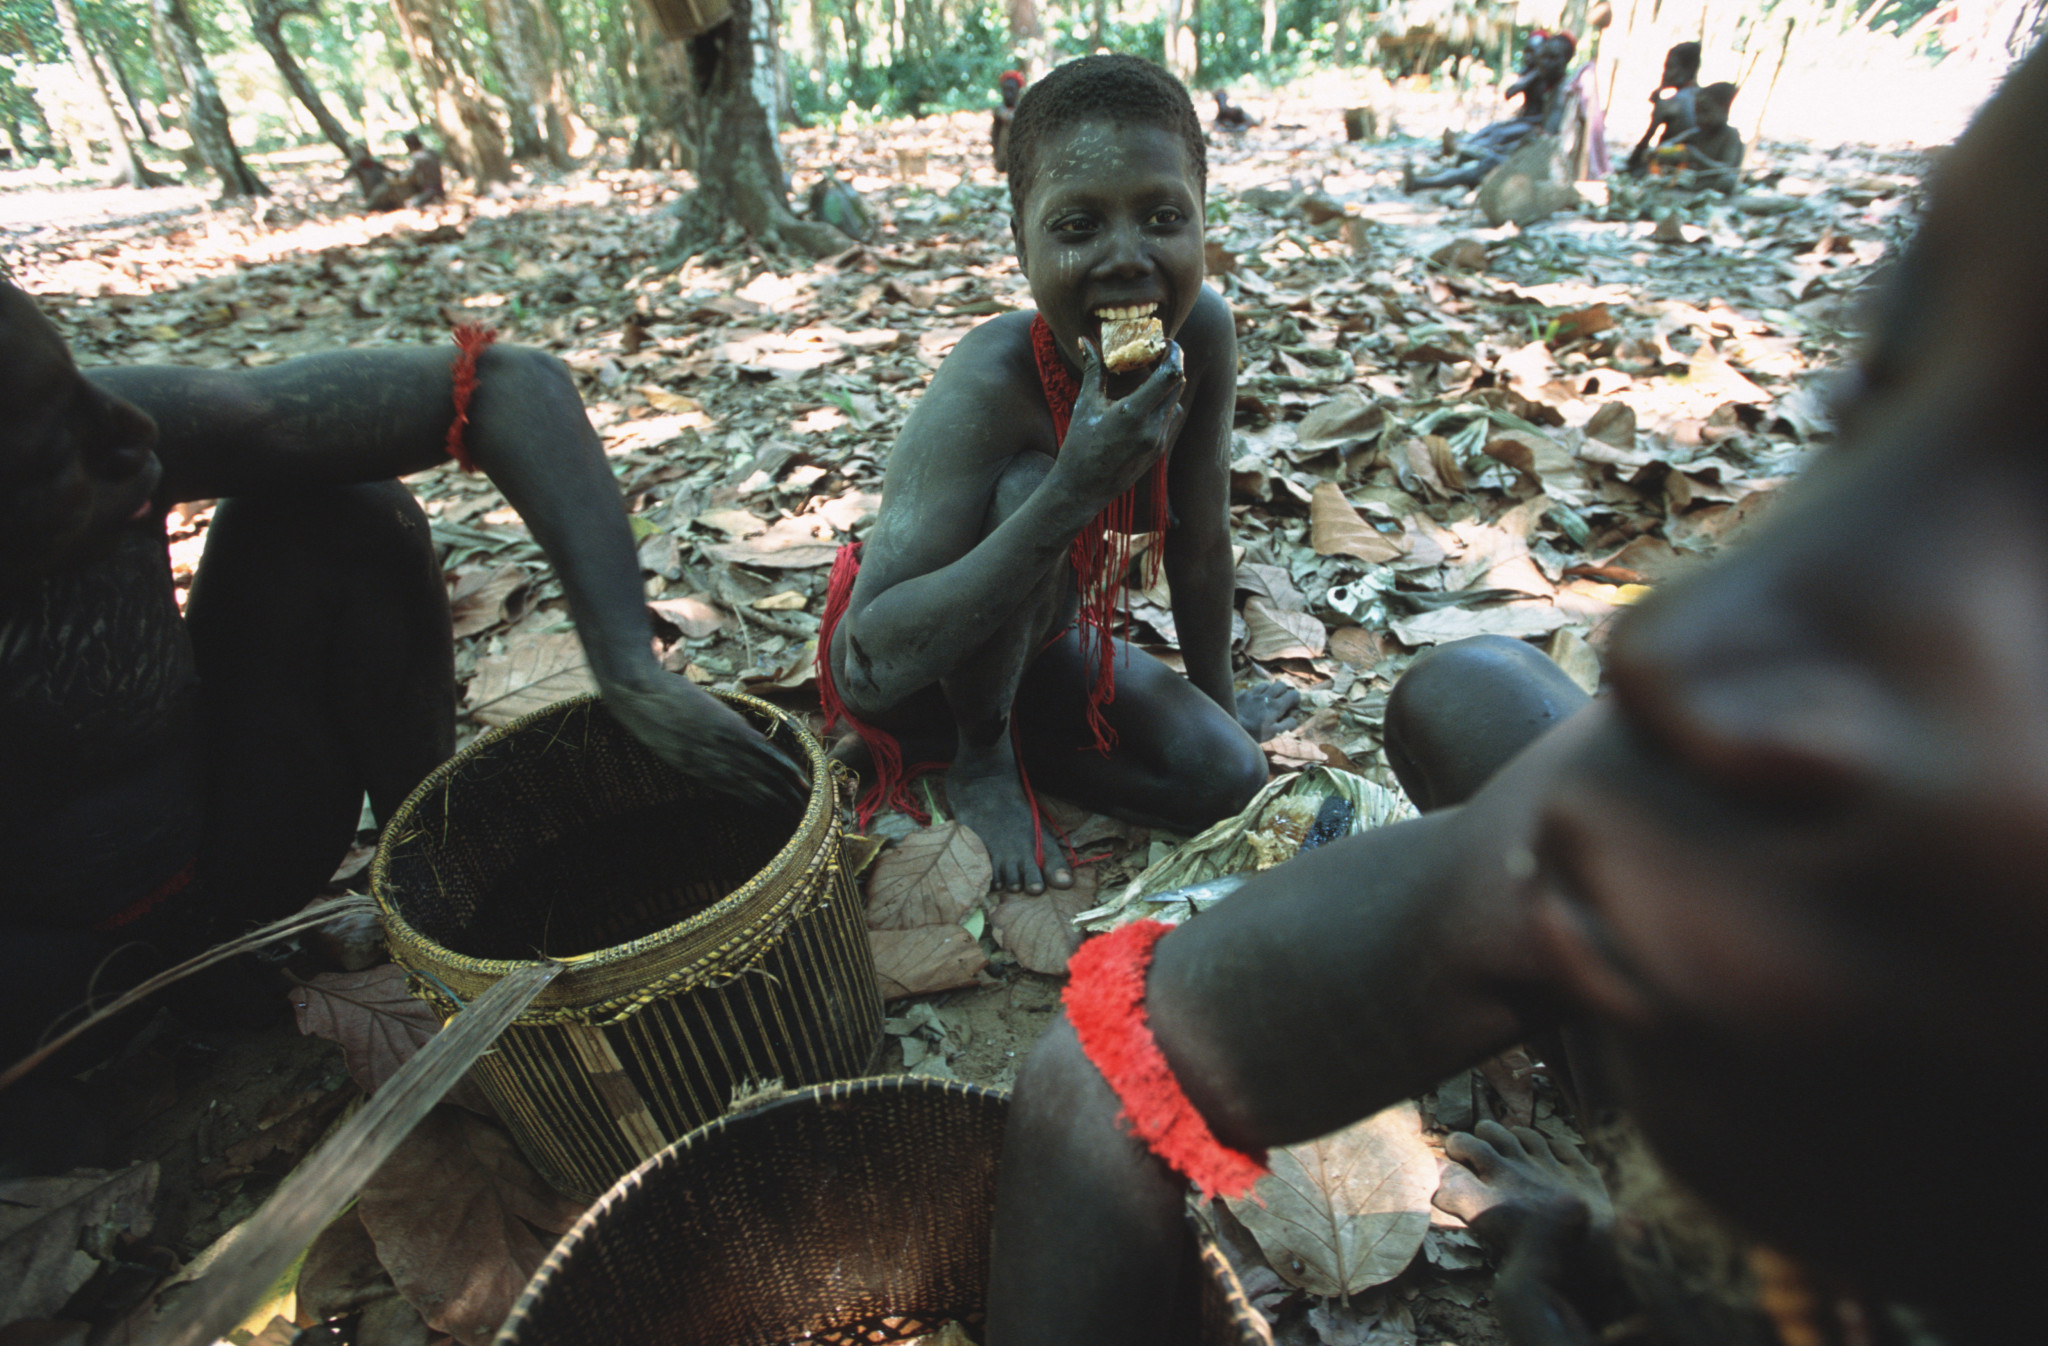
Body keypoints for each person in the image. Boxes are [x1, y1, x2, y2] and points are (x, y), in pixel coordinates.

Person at [987, 38, 2048, 1346]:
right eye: (1867, 408)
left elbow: (1198, 538)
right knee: (1475, 684)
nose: (1677, 640)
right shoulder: (1004, 387)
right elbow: (1103, 1077)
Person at [0, 279, 805, 1176]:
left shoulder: (105, 430)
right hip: (35, 990)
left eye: (80, 384)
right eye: (52, 447)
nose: (127, 428)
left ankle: (438, 880)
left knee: (346, 508)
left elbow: (508, 383)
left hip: (224, 860)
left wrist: (627, 665)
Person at [818, 54, 1297, 895]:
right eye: (1078, 228)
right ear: (1021, 243)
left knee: (1231, 778)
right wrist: (1075, 487)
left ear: (1203, 220)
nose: (1128, 258)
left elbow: (1201, 541)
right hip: (918, 670)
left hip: (1032, 646)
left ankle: (1036, 755)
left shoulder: (1204, 331)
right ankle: (979, 761)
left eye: (1161, 218)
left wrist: (1218, 703)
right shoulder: (989, 383)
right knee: (1027, 485)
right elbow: (869, 667)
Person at [1404, 33, 1575, 193]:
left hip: (1541, 161)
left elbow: (1547, 137)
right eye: (1543, 58)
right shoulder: (1551, 87)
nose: (1544, 63)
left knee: (1489, 161)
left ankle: (1424, 182)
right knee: (1490, 152)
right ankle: (1431, 176)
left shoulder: (1560, 91)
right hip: (1535, 151)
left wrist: (1516, 149)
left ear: (1565, 61)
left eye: (1552, 58)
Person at [1648, 82, 1744, 193]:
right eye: (1697, 113)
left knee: (1728, 180)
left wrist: (1697, 158)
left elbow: (1726, 169)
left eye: (1705, 112)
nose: (1699, 118)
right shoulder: (1696, 133)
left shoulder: (1730, 135)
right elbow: (1667, 145)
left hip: (1713, 183)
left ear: (1724, 111)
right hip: (1694, 181)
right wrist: (1664, 152)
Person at [1625, 42, 1703, 176]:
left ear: (1689, 69)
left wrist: (1629, 165)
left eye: (1670, 67)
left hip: (1672, 170)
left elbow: (1645, 141)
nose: (1665, 73)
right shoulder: (1704, 96)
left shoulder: (1671, 103)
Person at [993, 70, 1026, 174]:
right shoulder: (999, 110)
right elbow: (995, 135)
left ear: (1018, 90)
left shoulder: (1024, 109)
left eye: (1011, 90)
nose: (1008, 94)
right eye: (1005, 90)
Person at [402, 132, 445, 206]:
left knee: (408, 203)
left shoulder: (417, 157)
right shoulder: (432, 152)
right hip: (440, 189)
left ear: (409, 145)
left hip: (430, 191)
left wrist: (401, 176)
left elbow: (408, 177)